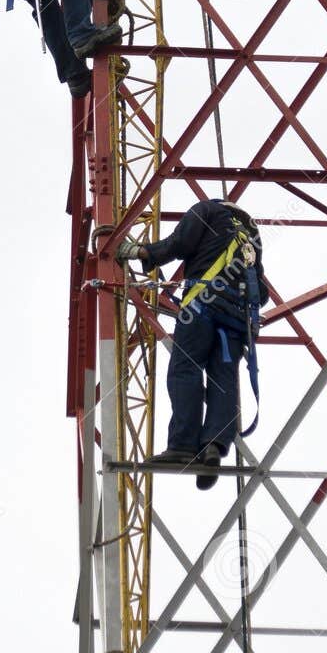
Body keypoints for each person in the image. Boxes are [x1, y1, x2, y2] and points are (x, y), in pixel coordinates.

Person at [116, 199, 266, 489]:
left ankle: (184, 445)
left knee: (186, 369)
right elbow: (261, 288)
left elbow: (179, 244)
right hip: (237, 322)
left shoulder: (206, 210)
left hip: (201, 308)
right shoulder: (251, 232)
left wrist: (141, 252)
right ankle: (213, 447)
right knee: (224, 378)